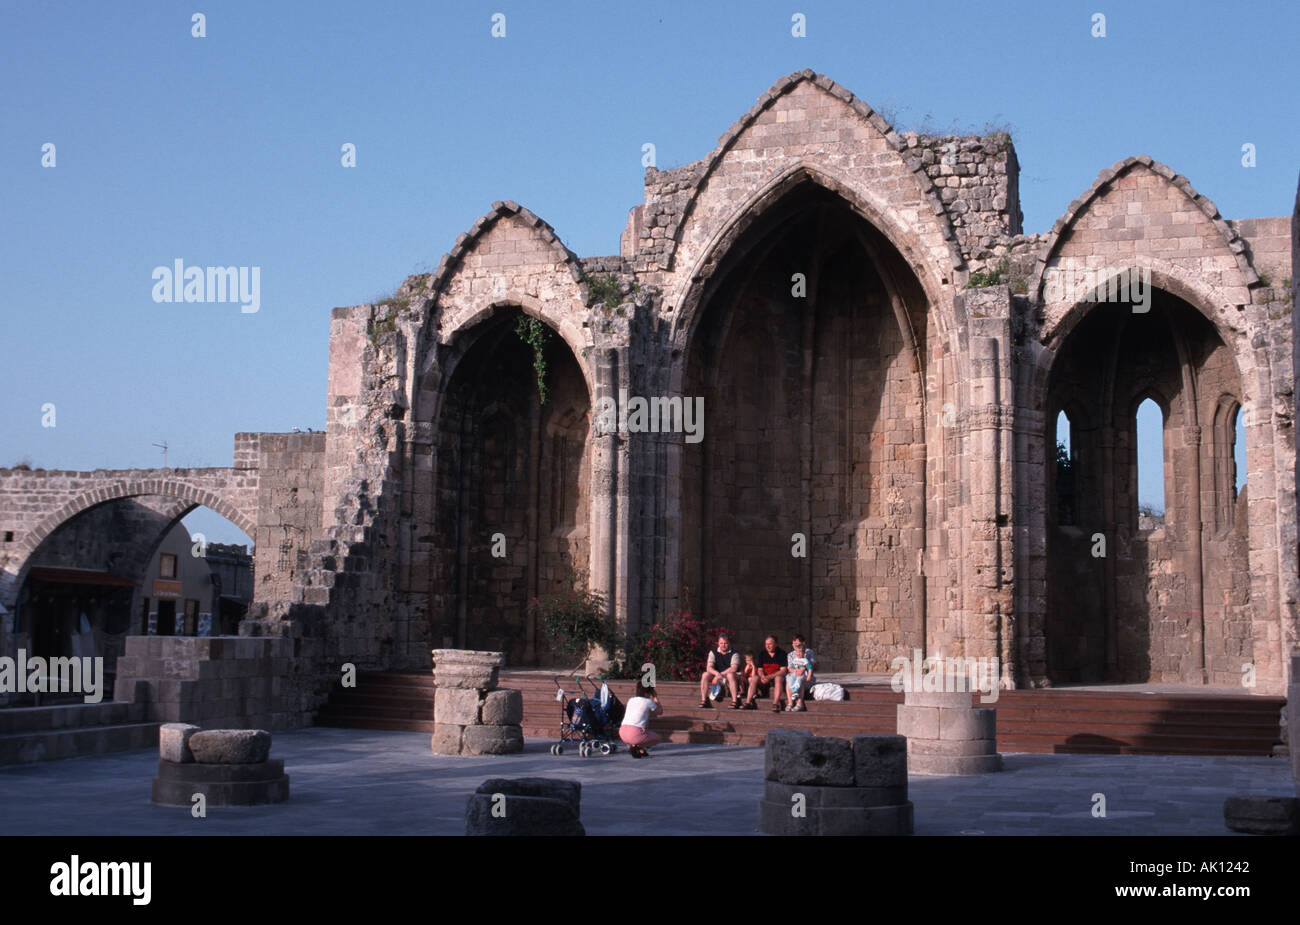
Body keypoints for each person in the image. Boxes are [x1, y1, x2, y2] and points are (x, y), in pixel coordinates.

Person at [743, 635, 788, 711]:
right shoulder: (762, 654)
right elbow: (760, 669)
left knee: (779, 678)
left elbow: (783, 671)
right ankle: (748, 702)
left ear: (776, 644)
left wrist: (770, 677)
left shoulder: (782, 654)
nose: (768, 646)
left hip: (775, 677)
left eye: (770, 644)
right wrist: (763, 676)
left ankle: (775, 703)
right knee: (754, 678)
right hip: (765, 678)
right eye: (766, 644)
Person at [619, 680, 662, 758]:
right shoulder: (648, 701)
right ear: (647, 692)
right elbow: (660, 711)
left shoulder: (631, 700)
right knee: (657, 738)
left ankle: (637, 747)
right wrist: (655, 698)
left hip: (622, 732)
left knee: (644, 724)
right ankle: (636, 746)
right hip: (635, 734)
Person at [699, 633, 742, 709]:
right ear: (718, 643)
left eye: (725, 643)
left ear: (729, 643)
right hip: (719, 676)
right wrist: (717, 674)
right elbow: (709, 668)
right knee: (705, 674)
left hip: (732, 677)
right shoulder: (713, 652)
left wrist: (720, 675)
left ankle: (735, 701)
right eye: (721, 643)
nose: (723, 645)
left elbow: (734, 668)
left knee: (730, 675)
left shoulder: (735, 654)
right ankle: (704, 700)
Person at [785, 634, 816, 712]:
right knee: (789, 682)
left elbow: (811, 665)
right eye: (794, 644)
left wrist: (803, 668)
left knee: (800, 681)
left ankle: (799, 704)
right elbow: (789, 668)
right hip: (795, 675)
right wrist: (795, 671)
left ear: (803, 644)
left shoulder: (809, 652)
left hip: (806, 677)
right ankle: (790, 703)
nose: (795, 646)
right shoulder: (791, 655)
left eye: (798, 644)